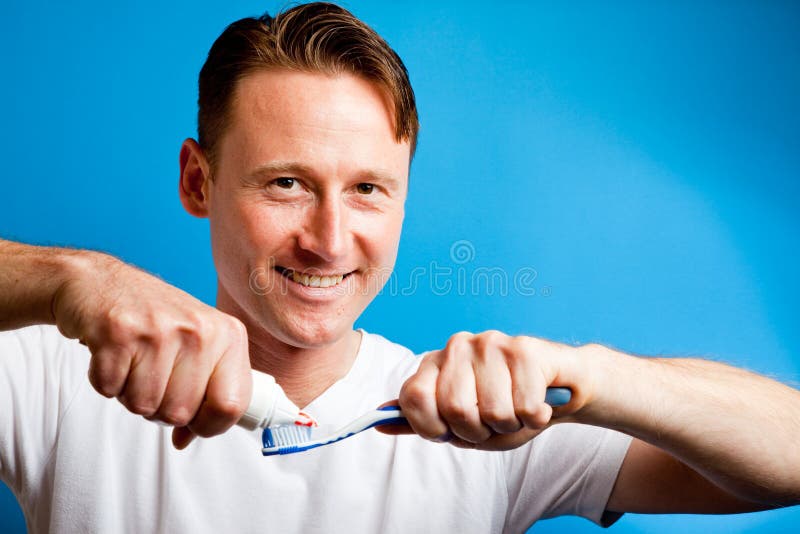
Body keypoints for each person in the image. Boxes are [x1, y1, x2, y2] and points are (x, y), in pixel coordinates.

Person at [1, 2, 798, 532]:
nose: (330, 240)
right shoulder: (58, 376)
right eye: (287, 184)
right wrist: (72, 280)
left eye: (368, 191)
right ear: (197, 182)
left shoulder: (492, 421)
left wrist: (585, 376)